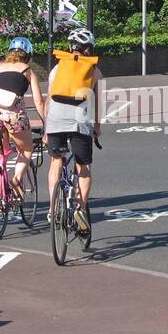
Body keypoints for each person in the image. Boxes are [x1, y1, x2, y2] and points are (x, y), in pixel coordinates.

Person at [44, 28, 102, 233]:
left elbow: (48, 100)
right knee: (83, 168)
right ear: (88, 49)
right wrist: (96, 127)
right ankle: (80, 207)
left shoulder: (57, 69)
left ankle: (52, 207)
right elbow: (96, 102)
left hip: (55, 119)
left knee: (56, 161)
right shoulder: (93, 70)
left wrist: (46, 129)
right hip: (80, 121)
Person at [0, 37, 45, 199]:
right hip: (14, 115)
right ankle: (16, 179)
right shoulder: (27, 70)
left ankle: (0, 199)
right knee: (26, 149)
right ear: (28, 55)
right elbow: (38, 101)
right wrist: (45, 122)